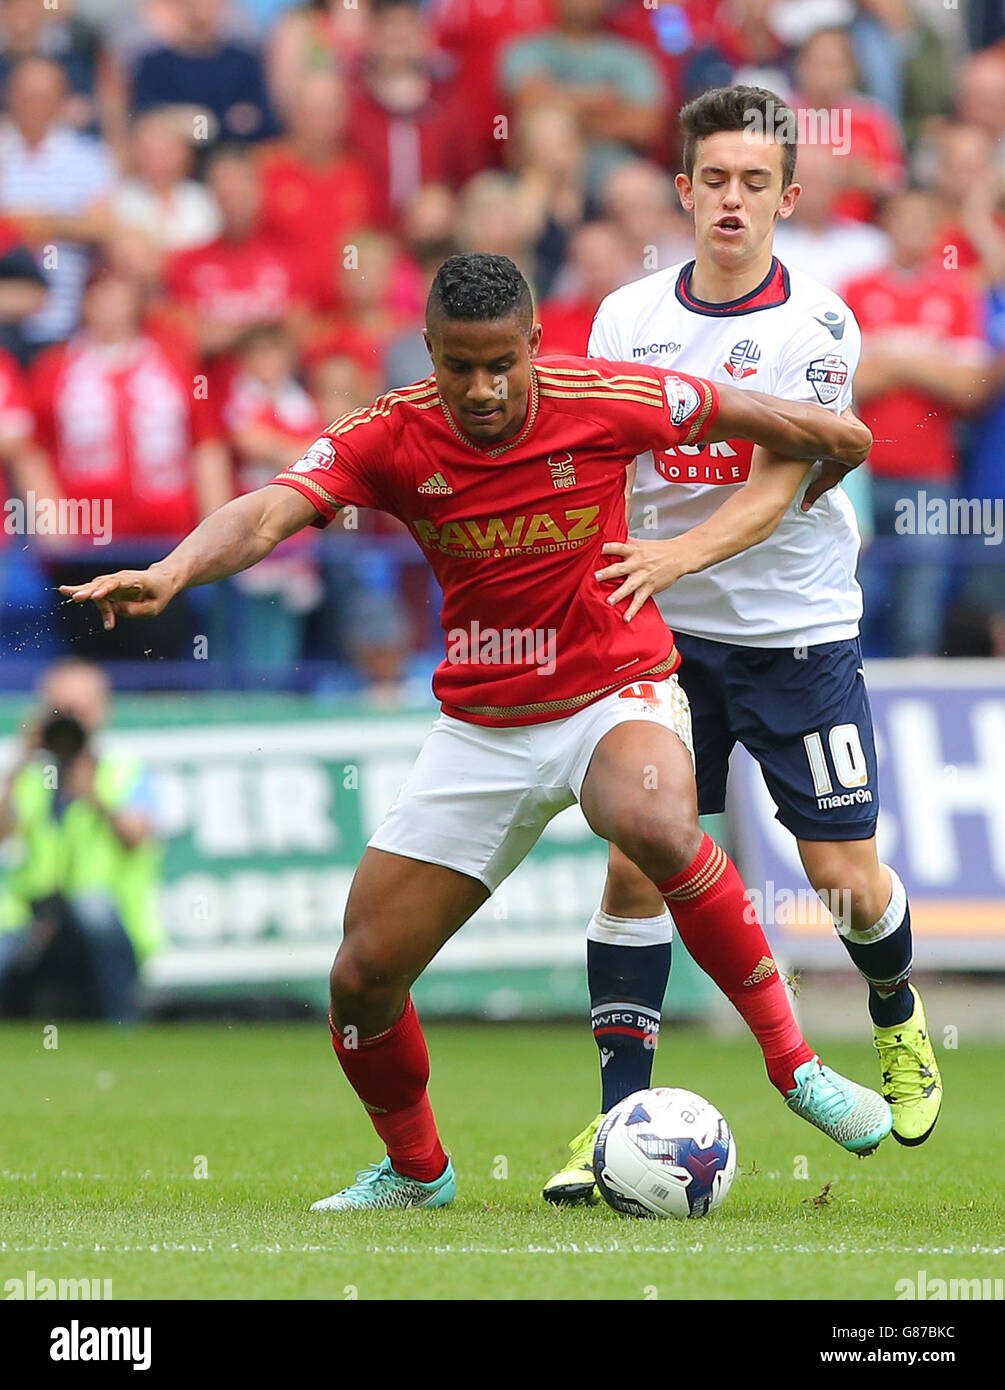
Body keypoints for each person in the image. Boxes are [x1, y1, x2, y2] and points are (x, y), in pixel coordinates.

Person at [60, 250, 885, 1213]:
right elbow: (268, 512)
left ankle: (795, 1070)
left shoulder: (612, 395)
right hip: (482, 726)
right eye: (460, 366)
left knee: (656, 823)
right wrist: (171, 572)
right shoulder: (391, 433)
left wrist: (840, 444)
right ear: (429, 352)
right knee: (363, 977)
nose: (483, 388)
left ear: (536, 346)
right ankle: (418, 1173)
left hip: (612, 691)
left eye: (503, 364)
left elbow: (782, 425)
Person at [543, 86, 944, 1208]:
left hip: (796, 638)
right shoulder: (626, 319)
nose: (732, 199)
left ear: (788, 197)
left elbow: (784, 480)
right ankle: (621, 1115)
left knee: (844, 883)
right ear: (683, 191)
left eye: (754, 182)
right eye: (713, 180)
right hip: (662, 643)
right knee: (638, 856)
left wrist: (674, 560)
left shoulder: (815, 325)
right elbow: (609, 462)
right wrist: (613, 585)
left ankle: (895, 1008)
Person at [0, 657, 162, 1023]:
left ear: (102, 712)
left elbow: (137, 835)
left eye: (77, 710)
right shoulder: (33, 775)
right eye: (59, 710)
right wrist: (21, 759)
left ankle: (124, 1021)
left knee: (93, 906)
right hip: (36, 914)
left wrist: (95, 796)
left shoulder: (123, 771)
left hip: (111, 916)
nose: (69, 721)